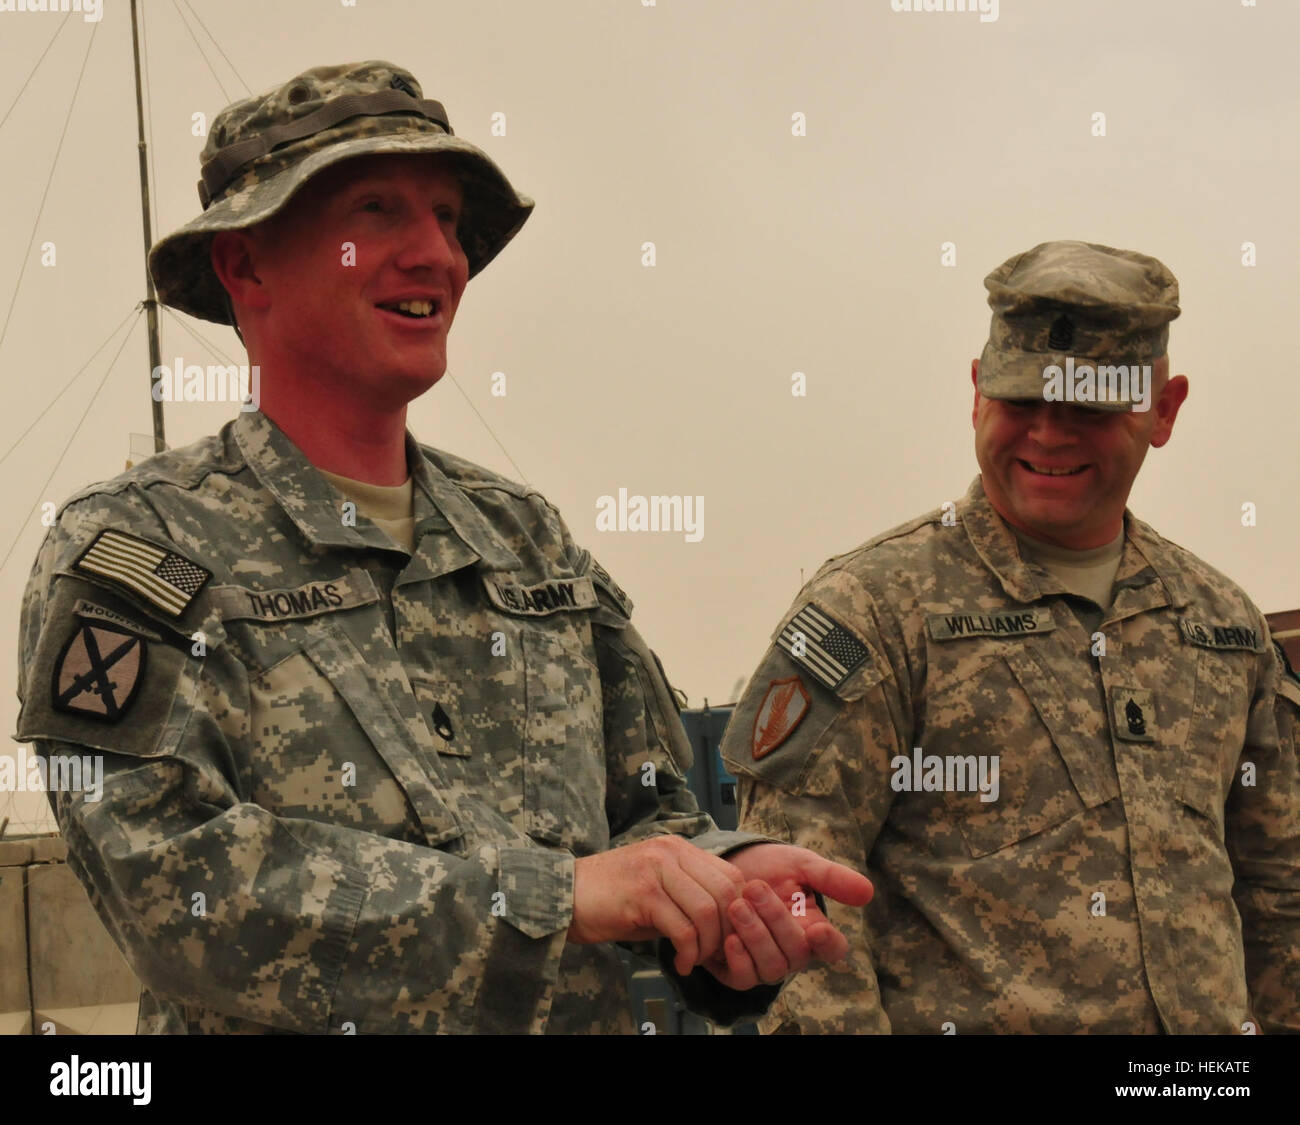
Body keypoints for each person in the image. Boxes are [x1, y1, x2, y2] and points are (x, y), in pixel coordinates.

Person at [14, 60, 871, 1035]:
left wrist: (723, 890)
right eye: (376, 211)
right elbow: (176, 890)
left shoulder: (526, 537)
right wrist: (550, 902)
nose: (438, 254)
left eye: (448, 219)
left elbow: (645, 818)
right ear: (246, 265)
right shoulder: (140, 550)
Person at [721, 240, 1300, 1034]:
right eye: (1022, 400)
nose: (1050, 434)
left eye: (1090, 407)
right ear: (974, 392)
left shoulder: (1223, 627)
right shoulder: (875, 610)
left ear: (1164, 410)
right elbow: (798, 910)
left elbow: (1278, 896)